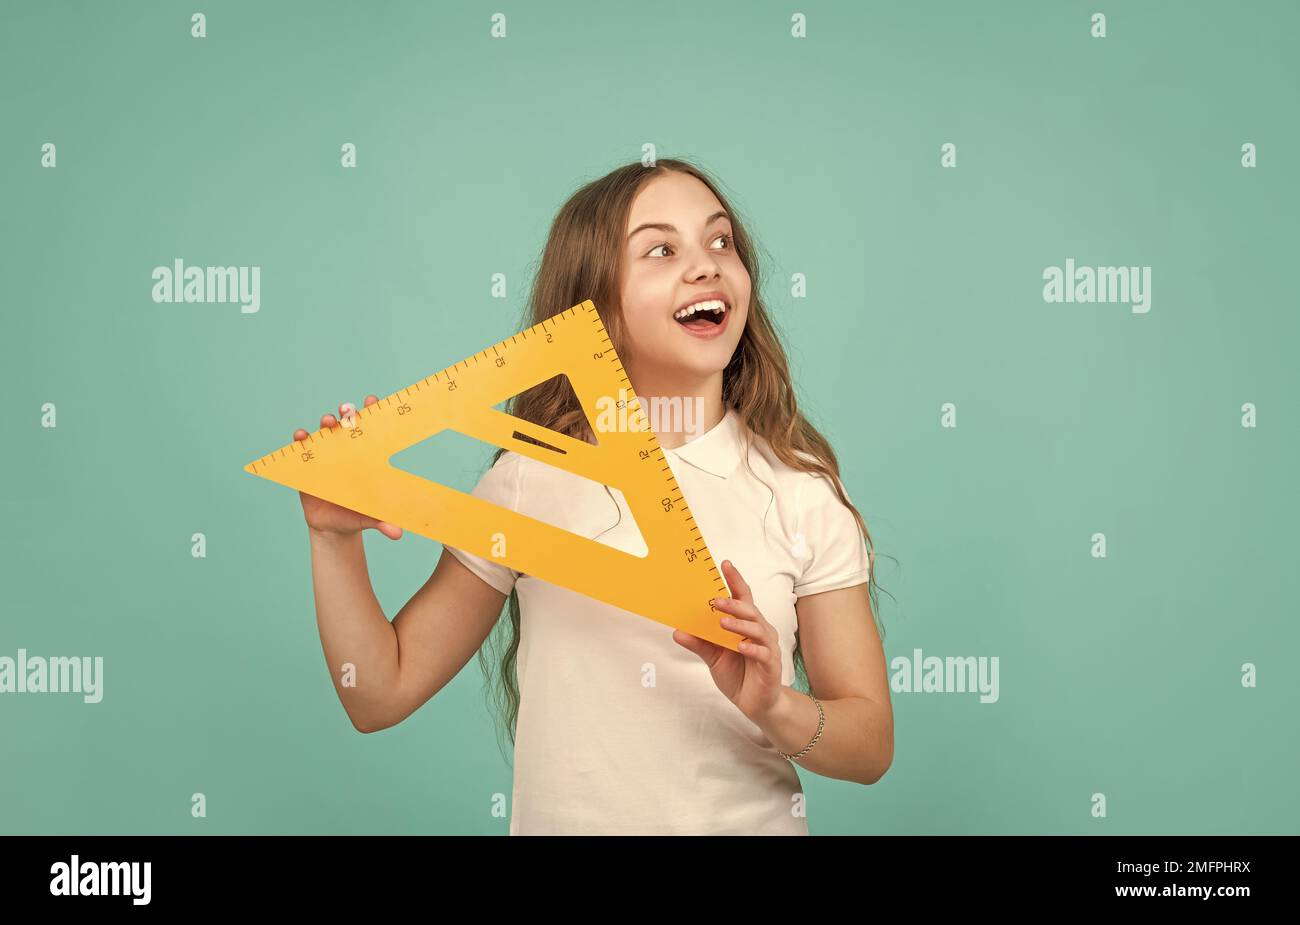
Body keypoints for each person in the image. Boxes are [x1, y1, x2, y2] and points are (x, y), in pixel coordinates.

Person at [292, 158, 893, 835]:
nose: (705, 265)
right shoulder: (529, 483)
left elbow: (870, 745)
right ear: (598, 307)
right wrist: (334, 539)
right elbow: (378, 692)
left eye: (720, 241)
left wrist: (773, 704)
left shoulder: (800, 493)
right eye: (661, 249)